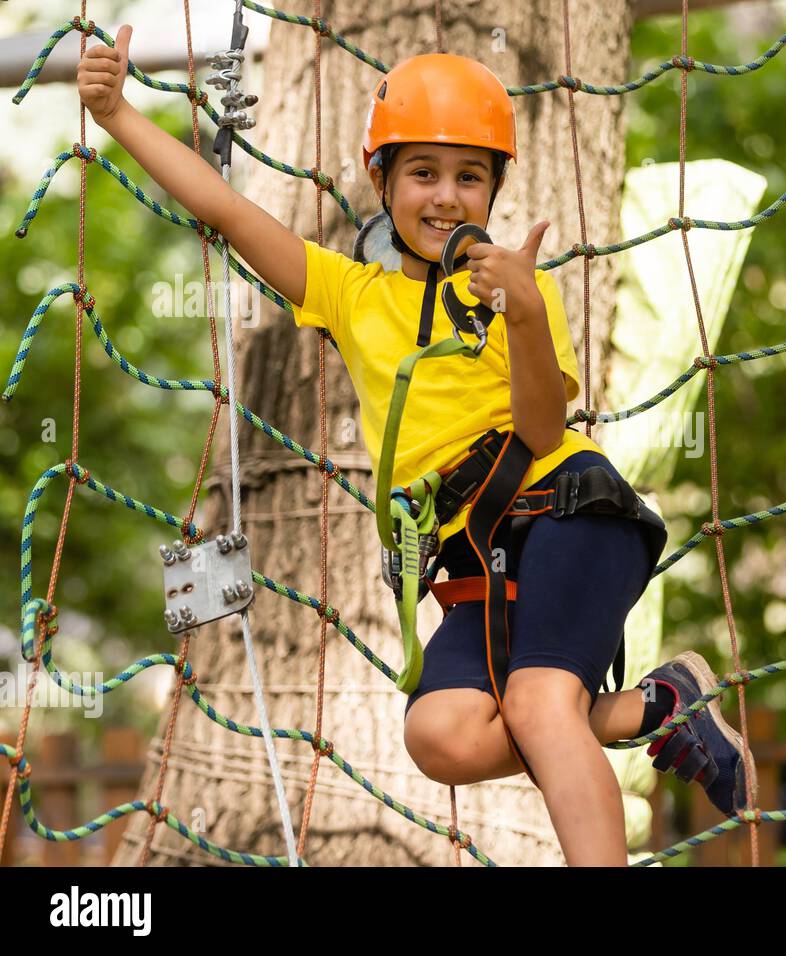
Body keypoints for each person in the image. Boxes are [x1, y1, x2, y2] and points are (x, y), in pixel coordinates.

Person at [79, 28, 750, 866]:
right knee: (442, 737)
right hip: (476, 563)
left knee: (541, 707)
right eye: (422, 173)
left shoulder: (517, 288)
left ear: (495, 190)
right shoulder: (350, 293)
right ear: (381, 181)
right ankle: (658, 706)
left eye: (470, 176)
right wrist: (115, 115)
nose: (446, 196)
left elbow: (544, 431)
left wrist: (529, 316)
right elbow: (224, 209)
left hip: (569, 513)